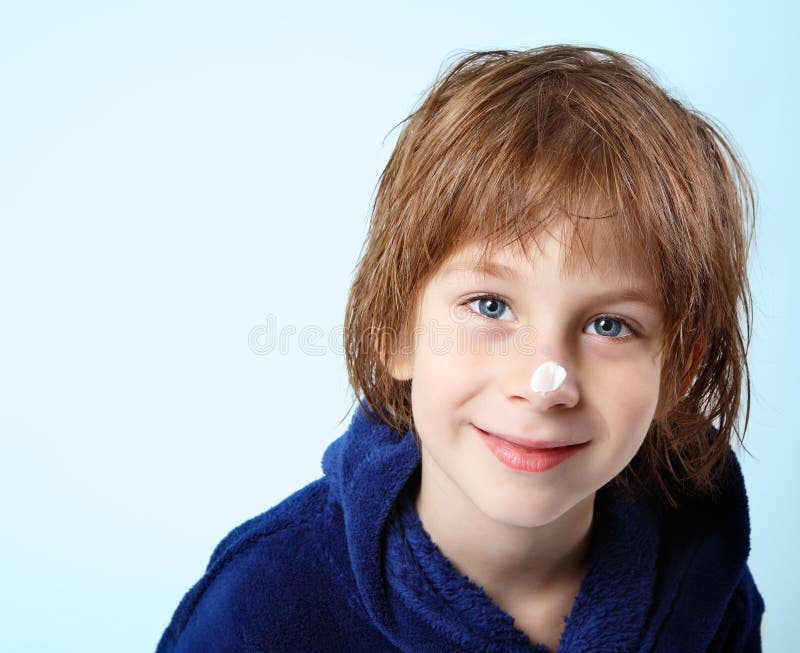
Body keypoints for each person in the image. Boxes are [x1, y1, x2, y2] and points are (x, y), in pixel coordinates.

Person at [155, 44, 765, 652]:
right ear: (393, 329)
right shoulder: (265, 606)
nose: (544, 382)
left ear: (680, 370)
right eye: (490, 306)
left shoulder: (704, 586)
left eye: (609, 325)